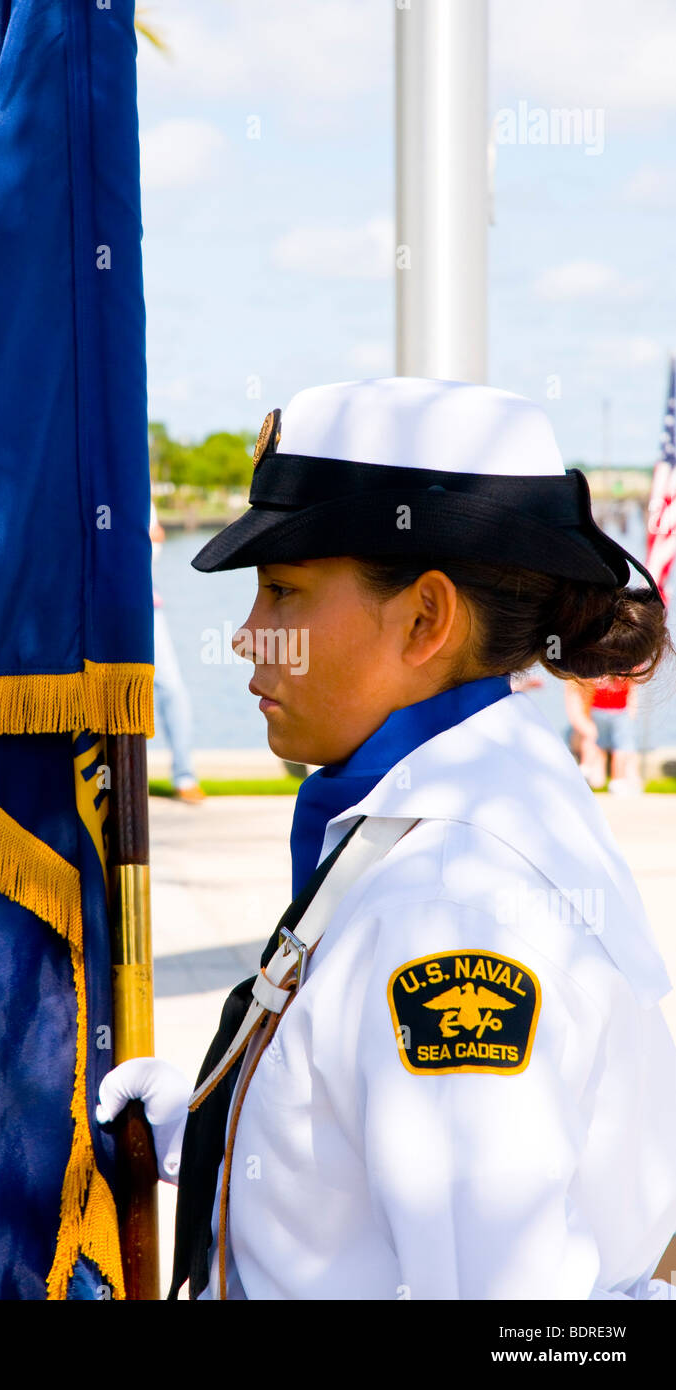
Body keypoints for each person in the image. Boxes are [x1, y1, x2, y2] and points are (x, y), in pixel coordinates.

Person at [99, 378, 676, 1300]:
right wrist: (211, 1126)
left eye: (282, 592)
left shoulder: (446, 911)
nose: (249, 639)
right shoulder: (475, 803)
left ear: (424, 619)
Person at [149, 500, 205, 804]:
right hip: (99, 600)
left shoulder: (137, 483)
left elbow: (153, 540)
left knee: (171, 688)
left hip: (146, 602)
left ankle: (184, 776)